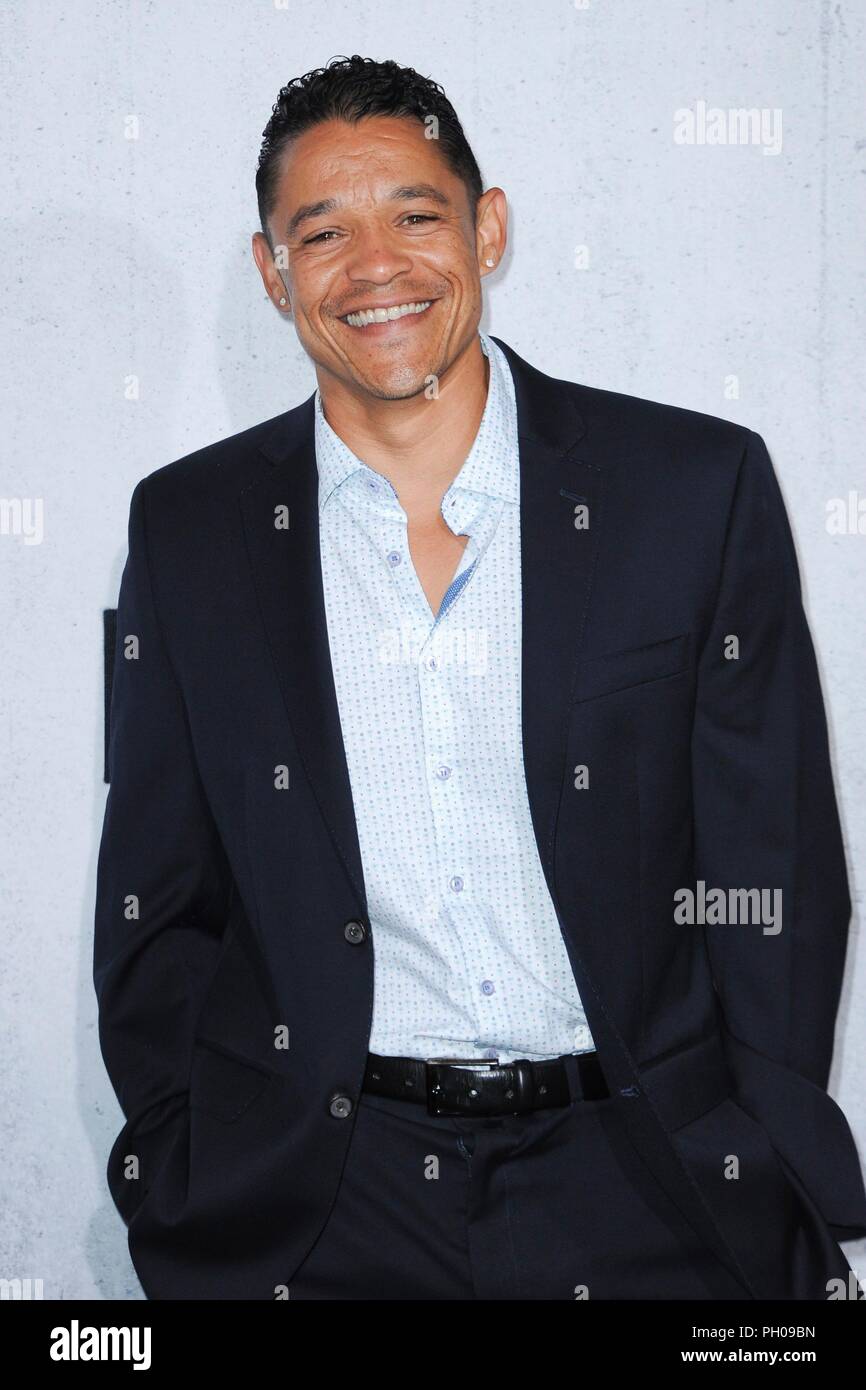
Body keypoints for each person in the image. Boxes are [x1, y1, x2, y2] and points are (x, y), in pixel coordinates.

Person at [93, 54, 866, 1300]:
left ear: (485, 228)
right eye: (322, 232)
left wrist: (758, 1147)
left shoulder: (687, 489)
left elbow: (767, 875)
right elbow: (156, 894)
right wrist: (185, 1152)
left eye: (414, 215)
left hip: (643, 1178)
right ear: (269, 270)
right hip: (324, 1201)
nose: (375, 267)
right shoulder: (194, 529)